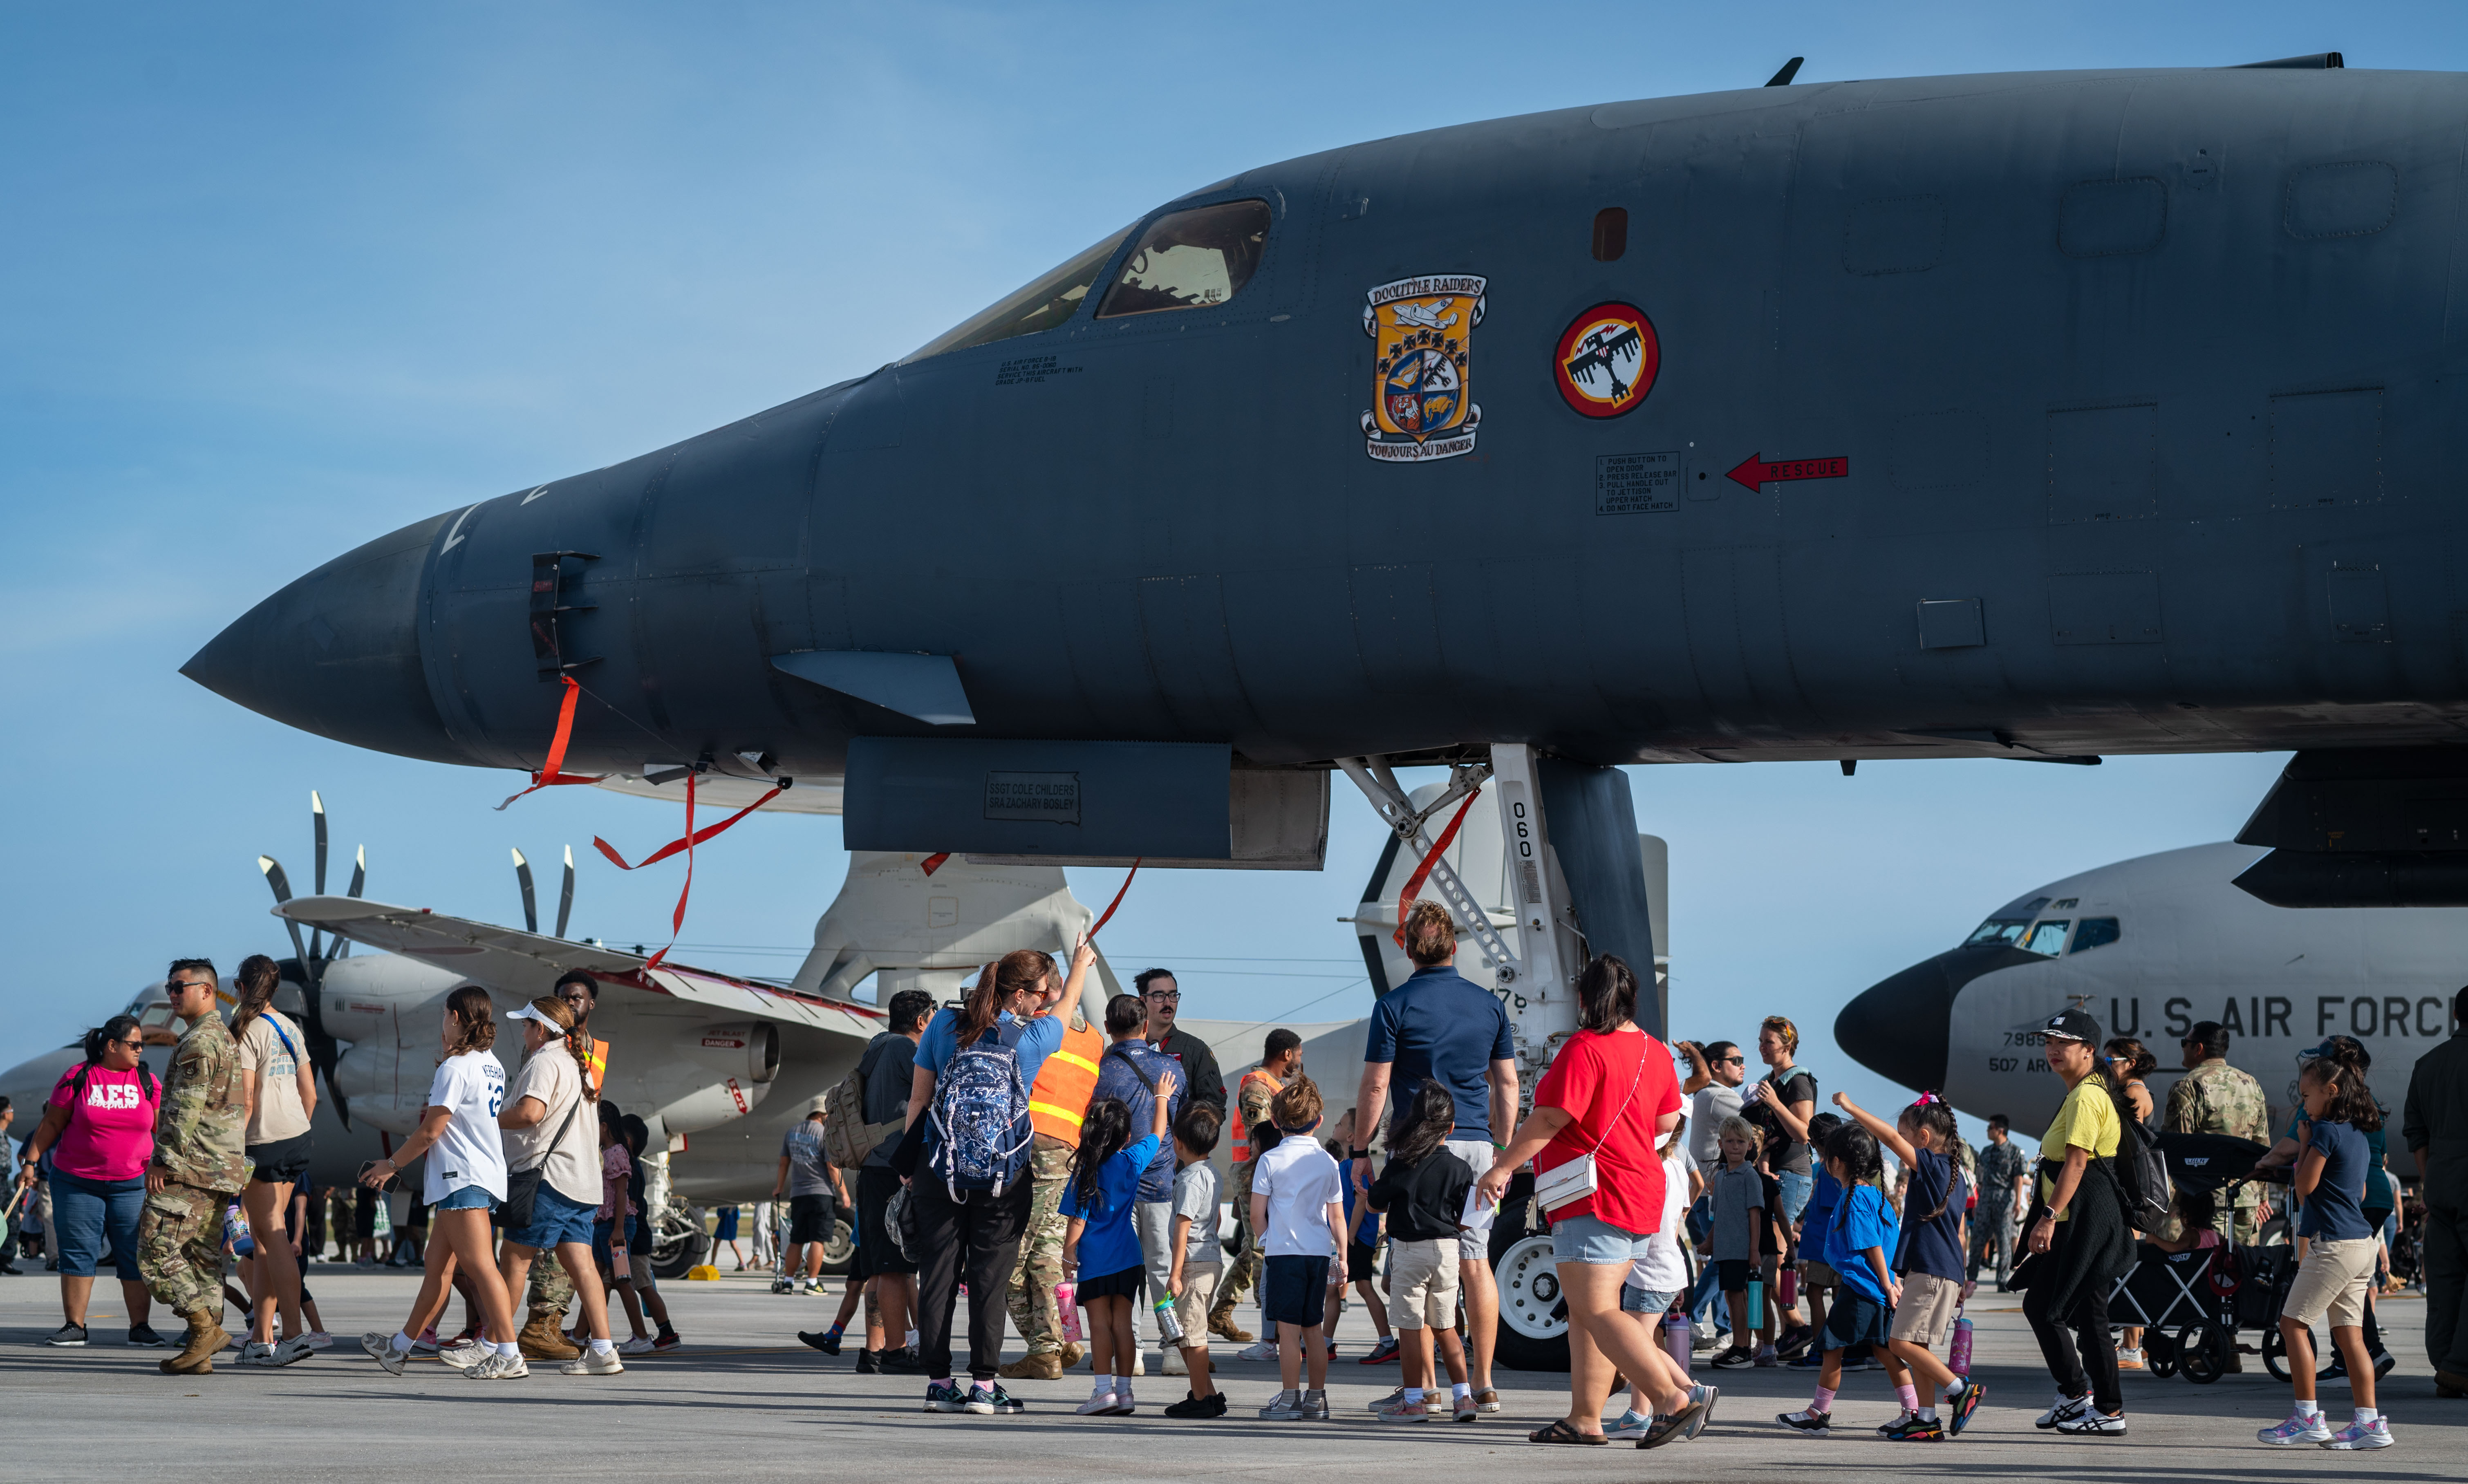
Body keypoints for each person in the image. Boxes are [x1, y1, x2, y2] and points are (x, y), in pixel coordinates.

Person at [1481, 954, 1697, 1448]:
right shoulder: (1654, 1051)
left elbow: (1549, 1118)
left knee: (1596, 1309)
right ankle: (1584, 1417)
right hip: (1640, 1190)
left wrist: (1502, 1166)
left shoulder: (1584, 1048)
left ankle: (1672, 1398)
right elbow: (1666, 1123)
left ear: (1586, 998)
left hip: (1593, 1194)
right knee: (1585, 1310)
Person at [900, 943, 1094, 1415]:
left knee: (938, 1276)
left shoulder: (944, 1025)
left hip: (938, 1168)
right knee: (989, 1279)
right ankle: (984, 1386)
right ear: (1022, 995)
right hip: (1002, 1176)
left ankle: (939, 1383)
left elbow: (918, 1101)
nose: (1047, 1003)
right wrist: (1078, 967)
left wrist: (911, 1166)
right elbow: (1070, 1003)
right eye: (1041, 996)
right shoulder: (1032, 1037)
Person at [1354, 901, 1517, 1412]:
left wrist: (1360, 1148)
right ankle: (1483, 1383)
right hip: (1473, 1140)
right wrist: (1503, 1154)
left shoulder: (1393, 1004)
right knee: (1473, 1262)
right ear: (1454, 946)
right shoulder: (1489, 1005)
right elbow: (1506, 1082)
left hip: (1417, 1144)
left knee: (1416, 1259)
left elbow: (1377, 1082)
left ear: (1404, 947)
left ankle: (1422, 1387)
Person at [357, 985, 524, 1380]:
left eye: (443, 1017)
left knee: (483, 1268)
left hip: (462, 1176)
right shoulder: (491, 1063)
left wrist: (391, 1164)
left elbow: (432, 1130)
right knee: (438, 1268)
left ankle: (510, 1353)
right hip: (476, 1175)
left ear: (454, 1017)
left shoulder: (455, 1066)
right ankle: (400, 1348)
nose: (441, 1026)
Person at [2258, 1051, 2394, 1448]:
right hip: (2361, 1242)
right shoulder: (2358, 1133)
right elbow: (2363, 1191)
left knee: (2292, 1325)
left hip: (2332, 1244)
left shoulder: (2323, 1131)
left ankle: (2305, 1417)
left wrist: (2303, 1143)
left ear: (2329, 1091)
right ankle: (2369, 1423)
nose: (2303, 1104)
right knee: (2350, 1336)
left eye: (2306, 1095)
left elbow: (2303, 1186)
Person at [1837, 1091, 1983, 1440]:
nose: (1899, 1144)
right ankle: (1927, 1419)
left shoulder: (1932, 1166)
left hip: (1932, 1270)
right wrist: (1959, 1278)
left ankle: (1961, 1390)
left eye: (1905, 1138)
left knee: (1900, 1343)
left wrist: (1852, 1108)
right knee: (1919, 1347)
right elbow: (1959, 1231)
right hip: (1940, 1269)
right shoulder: (1955, 1175)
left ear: (1924, 1139)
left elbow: (1886, 1135)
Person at [15, 1015, 162, 1347]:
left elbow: (162, 1129)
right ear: (112, 1046)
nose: (141, 1049)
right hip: (78, 1183)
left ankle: (141, 1326)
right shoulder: (79, 1077)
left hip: (133, 1184)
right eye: (135, 1044)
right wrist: (30, 1163)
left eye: (142, 1044)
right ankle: (75, 1326)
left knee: (134, 1255)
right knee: (77, 1253)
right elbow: (52, 1124)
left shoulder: (147, 1081)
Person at [2021, 1008, 2134, 1437]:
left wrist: (2047, 1217)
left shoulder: (2087, 1096)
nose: (2052, 1049)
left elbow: (2076, 1160)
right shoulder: (2081, 1091)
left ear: (2087, 1050)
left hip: (2086, 1220)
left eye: (2062, 1042)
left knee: (2080, 1315)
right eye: (2048, 1041)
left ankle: (2106, 1409)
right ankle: (2074, 1396)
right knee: (2050, 1308)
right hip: (2078, 1218)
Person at [495, 995, 623, 1375]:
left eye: (525, 1025)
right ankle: (602, 1348)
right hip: (582, 1182)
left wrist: (489, 1120)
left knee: (513, 1261)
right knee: (581, 1265)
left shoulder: (544, 1061)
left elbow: (531, 1113)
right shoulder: (577, 1065)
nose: (522, 1031)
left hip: (550, 1179)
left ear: (541, 1029)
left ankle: (497, 1346)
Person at [137, 959, 249, 1376]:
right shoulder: (221, 1036)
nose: (172, 993)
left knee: (155, 1249)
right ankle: (203, 1348)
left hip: (191, 1167)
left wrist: (163, 1159)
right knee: (201, 1258)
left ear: (206, 990)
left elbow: (185, 1107)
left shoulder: (200, 1042)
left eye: (179, 986)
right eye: (169, 986)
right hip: (218, 1169)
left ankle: (202, 1328)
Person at [1062, 1071, 1180, 1417]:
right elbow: (1158, 1135)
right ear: (1127, 1136)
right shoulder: (1131, 1161)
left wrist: (1068, 1256)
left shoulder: (1086, 1169)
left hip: (1095, 1260)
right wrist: (1161, 1097)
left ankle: (1103, 1392)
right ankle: (1125, 1392)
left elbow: (1078, 1220)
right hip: (1130, 1257)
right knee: (1123, 1323)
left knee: (1100, 1324)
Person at [1774, 1122, 1901, 1437]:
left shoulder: (1854, 1197)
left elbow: (1871, 1243)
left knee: (1832, 1348)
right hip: (1875, 1290)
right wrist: (1893, 1282)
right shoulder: (1879, 1197)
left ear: (1836, 1163)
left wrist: (1887, 1283)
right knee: (1885, 1351)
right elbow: (1891, 1242)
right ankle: (1913, 1410)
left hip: (1860, 1288)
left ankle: (1818, 1413)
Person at [1003, 965, 1099, 1381]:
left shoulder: (1036, 1026)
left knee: (1006, 1259)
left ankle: (1047, 1347)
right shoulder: (1094, 1037)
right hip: (1069, 1153)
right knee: (1045, 1255)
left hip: (1031, 1149)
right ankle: (1054, 1344)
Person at [1366, 1079, 1478, 1424]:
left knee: (1411, 1328)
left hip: (1410, 1252)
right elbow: (1465, 1219)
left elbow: (1374, 1204)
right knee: (1447, 1328)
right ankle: (1464, 1398)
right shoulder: (1461, 1169)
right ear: (1452, 1127)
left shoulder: (1402, 1164)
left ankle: (1415, 1400)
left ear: (1413, 1122)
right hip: (1447, 1252)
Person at [228, 955, 318, 1369]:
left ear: (240, 987)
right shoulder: (290, 1028)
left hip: (261, 1143)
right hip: (296, 1137)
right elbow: (310, 1094)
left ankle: (295, 1334)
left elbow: (245, 1100)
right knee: (264, 1240)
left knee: (273, 1235)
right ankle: (261, 1338)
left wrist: (231, 1151)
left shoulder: (246, 1029)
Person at [1607, 1111, 1713, 1441]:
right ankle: (1644, 1410)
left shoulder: (1650, 1168)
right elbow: (1681, 1208)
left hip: (1648, 1270)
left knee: (1636, 1344)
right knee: (1645, 1340)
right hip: (1671, 1265)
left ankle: (1681, 1394)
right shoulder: (1677, 1168)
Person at [1092, 992, 1183, 1359]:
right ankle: (1174, 1347)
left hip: (1117, 1186)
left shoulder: (1100, 1070)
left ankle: (1134, 1348)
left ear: (1107, 1027)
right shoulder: (1172, 1069)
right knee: (1162, 1266)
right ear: (1146, 1025)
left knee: (1125, 1268)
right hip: (1161, 1180)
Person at [521, 968, 609, 1348]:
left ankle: (525, 1333)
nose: (572, 1003)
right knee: (547, 1257)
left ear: (591, 1003)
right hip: (557, 1164)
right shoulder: (546, 1042)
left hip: (570, 1164)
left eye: (577, 997)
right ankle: (539, 1327)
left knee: (542, 1258)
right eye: (565, 997)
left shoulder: (591, 1051)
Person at [1252, 1075, 1344, 1421]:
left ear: (1275, 1122)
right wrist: (1343, 1256)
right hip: (1318, 1253)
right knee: (1314, 1331)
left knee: (1287, 1332)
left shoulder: (1270, 1160)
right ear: (1318, 1121)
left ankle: (1290, 1398)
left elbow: (1256, 1212)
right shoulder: (1328, 1162)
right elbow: (1337, 1214)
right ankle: (1316, 1399)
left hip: (1284, 1253)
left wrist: (1266, 1238)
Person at [856, 987, 932, 1375]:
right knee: (893, 1266)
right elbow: (932, 1092)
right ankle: (895, 1351)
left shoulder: (876, 1045)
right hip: (893, 1167)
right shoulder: (906, 1050)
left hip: (872, 1166)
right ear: (921, 1021)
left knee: (887, 1268)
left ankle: (874, 1349)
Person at [1213, 1027, 1301, 1346]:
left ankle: (1222, 1310)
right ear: (1287, 1054)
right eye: (1299, 1055)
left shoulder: (1274, 1085)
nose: (1299, 1062)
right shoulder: (1257, 1086)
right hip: (1256, 1173)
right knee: (1266, 1247)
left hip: (1262, 1172)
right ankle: (1273, 1325)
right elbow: (1262, 1136)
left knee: (1254, 1247)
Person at [2402, 983, 2468, 1397]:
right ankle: (2459, 1366)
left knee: (2444, 1278)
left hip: (2440, 1182)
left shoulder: (2427, 1063)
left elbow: (2415, 1132)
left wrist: (2429, 1183)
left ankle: (2444, 1361)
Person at [1745, 1014, 1818, 1350]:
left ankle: (1798, 1326)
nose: (1762, 1047)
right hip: (1773, 1174)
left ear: (1787, 1044)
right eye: (1760, 1040)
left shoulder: (1797, 1082)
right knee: (1770, 1258)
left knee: (1772, 1258)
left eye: (1769, 1042)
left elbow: (1805, 1133)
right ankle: (1792, 1329)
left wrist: (1774, 1103)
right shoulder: (1769, 1080)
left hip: (1791, 1175)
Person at [2164, 1020, 2271, 1246]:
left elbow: (2177, 1150)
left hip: (2207, 1203)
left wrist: (2172, 1206)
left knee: (2207, 1272)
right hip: (2247, 1197)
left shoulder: (2188, 1086)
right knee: (2242, 1270)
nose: (2183, 1047)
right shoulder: (2251, 1084)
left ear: (2199, 1048)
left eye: (2185, 1043)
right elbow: (2262, 1144)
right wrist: (2262, 1196)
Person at [1162, 1102, 1227, 1419]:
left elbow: (1182, 1227)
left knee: (1193, 1334)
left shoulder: (1188, 1179)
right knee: (1188, 1331)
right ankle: (1210, 1393)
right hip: (1210, 1259)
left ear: (1177, 1142)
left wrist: (1176, 1273)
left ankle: (1200, 1398)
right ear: (1214, 1143)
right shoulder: (1212, 1173)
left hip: (1193, 1264)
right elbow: (1214, 1219)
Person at [1705, 1117, 1767, 1370]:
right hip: (1725, 1248)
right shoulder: (1721, 1176)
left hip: (1741, 1248)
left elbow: (1755, 1214)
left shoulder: (1750, 1175)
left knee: (1736, 1295)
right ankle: (1737, 1346)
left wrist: (1754, 1250)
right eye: (1729, 1142)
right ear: (1720, 1144)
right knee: (1732, 1297)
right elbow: (1718, 1214)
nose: (1735, 1147)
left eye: (1741, 1142)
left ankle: (1742, 1348)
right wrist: (1710, 1241)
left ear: (1750, 1145)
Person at [775, 1097, 848, 1295]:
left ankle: (788, 1282)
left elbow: (784, 1164)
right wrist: (845, 1193)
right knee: (818, 1239)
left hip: (798, 1194)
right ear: (823, 1115)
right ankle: (812, 1283)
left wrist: (779, 1187)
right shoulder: (824, 1133)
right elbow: (832, 1167)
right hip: (821, 1194)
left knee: (796, 1239)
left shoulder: (792, 1132)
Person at [1334, 1143, 1393, 1367]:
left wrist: (1349, 1237)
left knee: (1362, 1287)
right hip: (1356, 1236)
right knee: (1353, 1287)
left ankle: (1387, 1341)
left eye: (1340, 1124)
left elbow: (1361, 1201)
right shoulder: (1347, 1165)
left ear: (1351, 1136)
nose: (1335, 1127)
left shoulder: (1356, 1166)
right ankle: (1325, 1341)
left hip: (1357, 1237)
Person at [1135, 968, 1226, 1110]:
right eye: (1159, 996)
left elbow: (1216, 1107)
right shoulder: (1126, 1048)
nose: (1168, 1003)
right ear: (1142, 1001)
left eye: (1173, 995)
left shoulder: (1195, 1050)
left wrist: (1188, 1129)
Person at [1970, 1115, 2031, 1292]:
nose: (1988, 1131)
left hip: (2004, 1199)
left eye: (1991, 1128)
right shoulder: (1986, 1152)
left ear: (2000, 1130)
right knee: (1978, 1240)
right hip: (1986, 1198)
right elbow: (1979, 1180)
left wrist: (2018, 1203)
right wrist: (1977, 1203)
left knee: (2004, 1241)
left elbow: (2018, 1178)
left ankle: (2002, 1280)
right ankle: (1972, 1277)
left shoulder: (2014, 1152)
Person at [716, 1203, 746, 1270]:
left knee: (716, 1244)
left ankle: (712, 1263)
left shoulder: (722, 1205)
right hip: (732, 1225)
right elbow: (738, 1217)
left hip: (723, 1225)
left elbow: (720, 1216)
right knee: (734, 1245)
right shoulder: (735, 1205)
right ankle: (742, 1263)